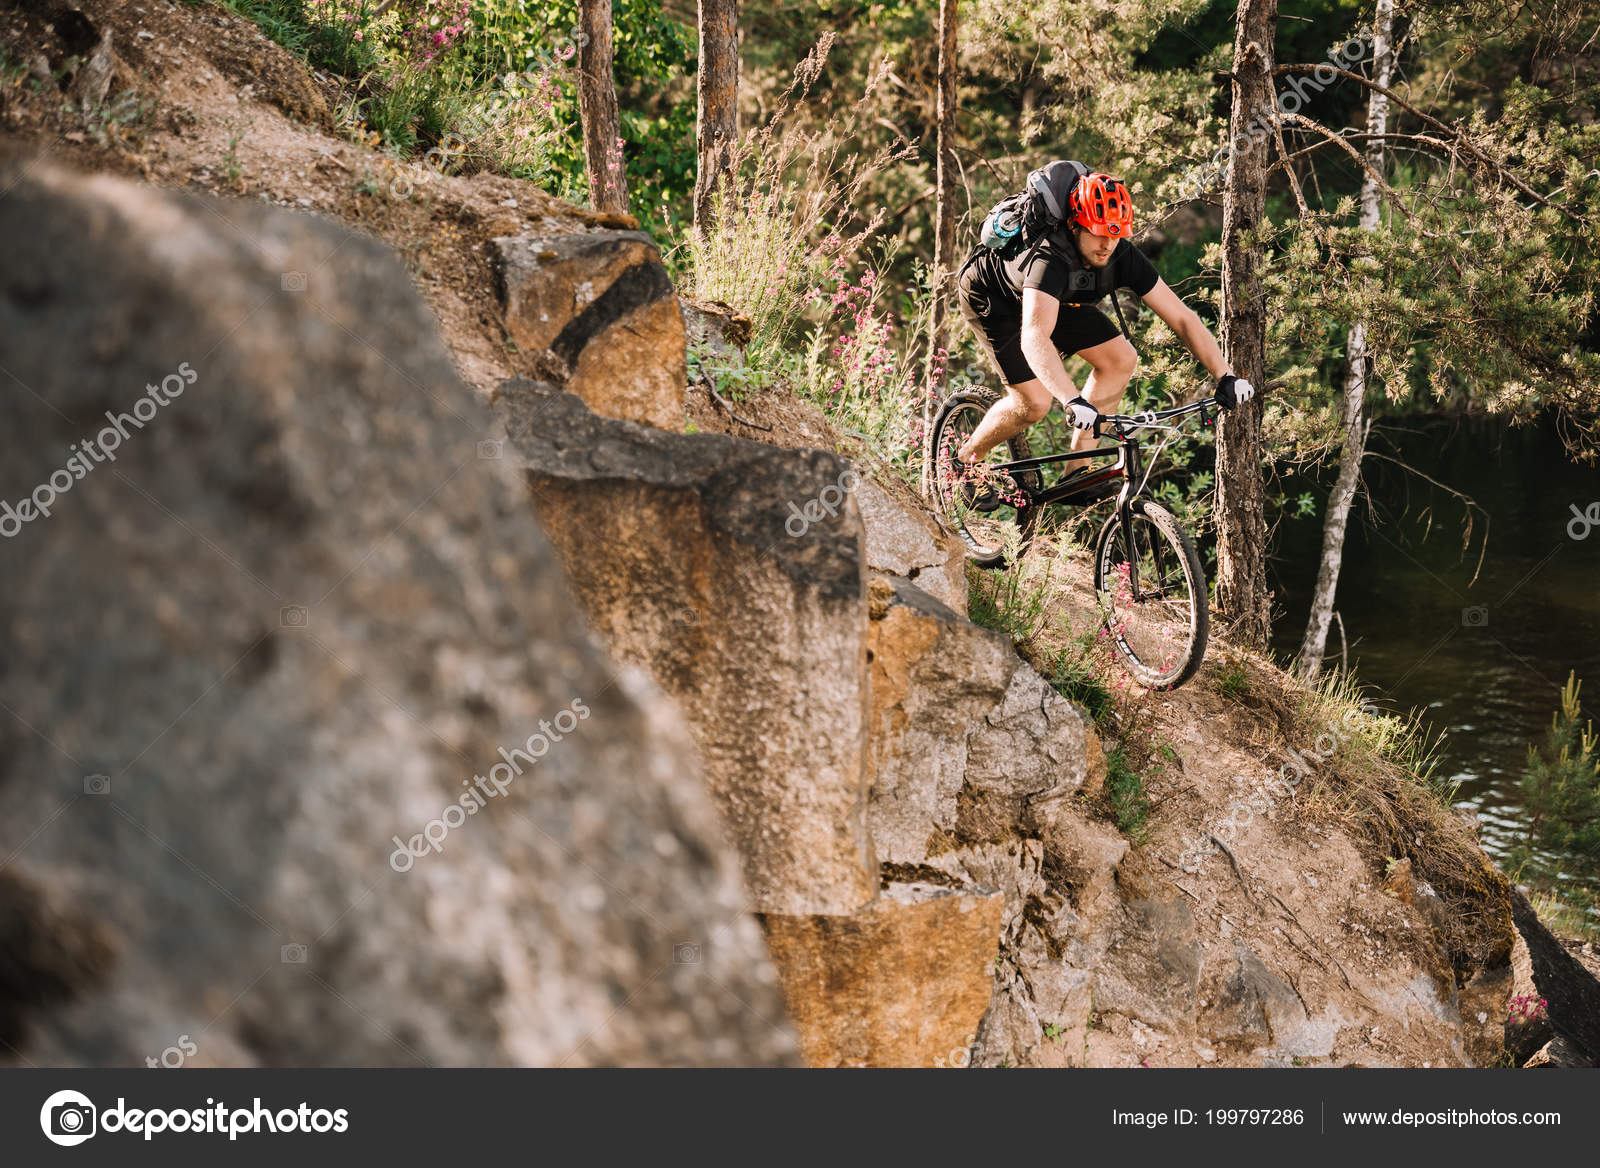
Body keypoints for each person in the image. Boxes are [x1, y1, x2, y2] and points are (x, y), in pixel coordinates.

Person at [951, 161, 1254, 509]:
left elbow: (1183, 318)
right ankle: (966, 461)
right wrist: (1072, 399)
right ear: (1075, 224)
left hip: (1058, 299)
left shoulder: (1120, 253)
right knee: (1034, 403)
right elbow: (1034, 336)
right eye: (1098, 232)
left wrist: (1225, 375)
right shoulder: (1049, 259)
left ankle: (1077, 473)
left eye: (1115, 233)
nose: (1107, 243)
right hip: (994, 297)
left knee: (1121, 358)